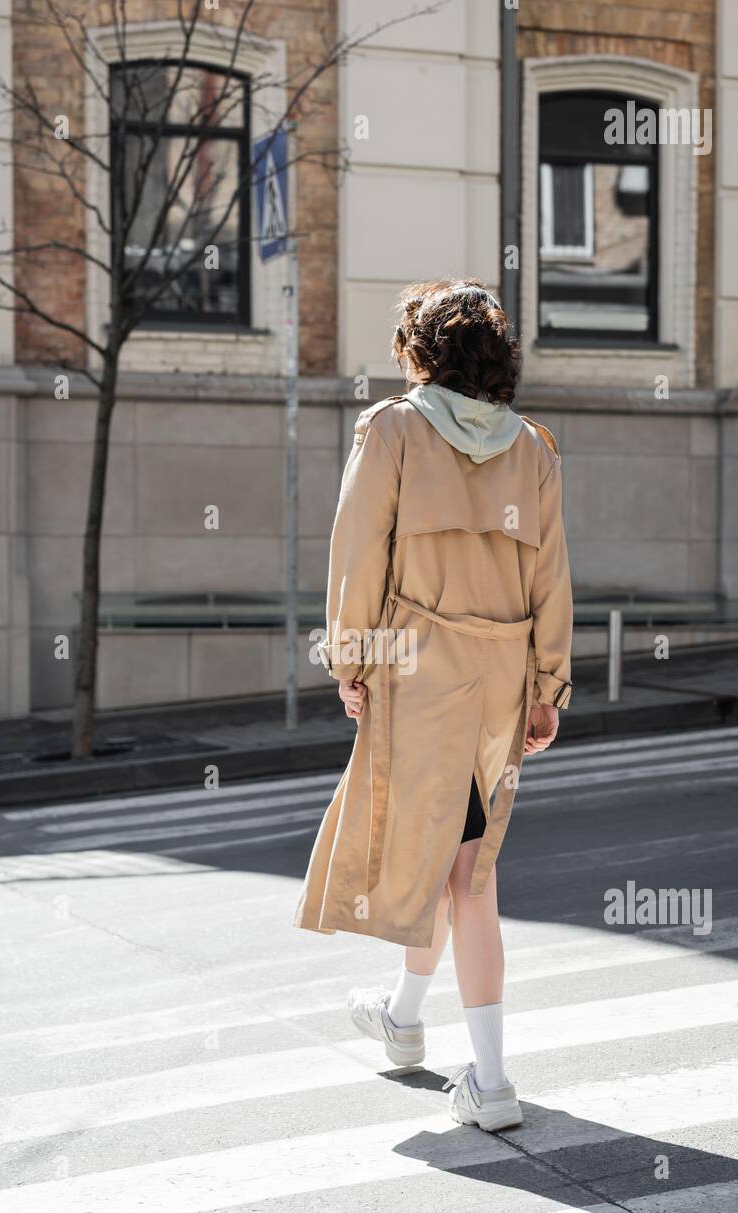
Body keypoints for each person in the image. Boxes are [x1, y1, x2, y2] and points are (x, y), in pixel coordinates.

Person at [293, 278, 573, 1132]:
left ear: (418, 352)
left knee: (460, 872)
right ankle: (406, 1020)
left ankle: (489, 1084)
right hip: (497, 678)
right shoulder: (532, 447)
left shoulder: (393, 430)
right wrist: (546, 686)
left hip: (417, 666)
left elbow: (356, 554)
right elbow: (551, 577)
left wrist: (351, 657)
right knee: (455, 862)